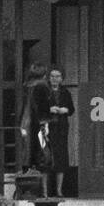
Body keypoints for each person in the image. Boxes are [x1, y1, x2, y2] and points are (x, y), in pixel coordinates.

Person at [17, 63, 52, 196]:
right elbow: (42, 107)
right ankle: (44, 192)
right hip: (38, 126)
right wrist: (45, 124)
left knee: (28, 155)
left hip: (25, 124)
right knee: (44, 155)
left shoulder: (26, 86)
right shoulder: (42, 86)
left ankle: (26, 190)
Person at [43, 66, 75, 198]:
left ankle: (59, 190)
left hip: (61, 129)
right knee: (45, 158)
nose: (54, 79)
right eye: (52, 76)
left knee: (61, 158)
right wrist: (49, 109)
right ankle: (44, 191)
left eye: (57, 76)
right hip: (46, 128)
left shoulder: (65, 92)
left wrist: (65, 110)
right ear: (48, 78)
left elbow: (72, 109)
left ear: (61, 79)